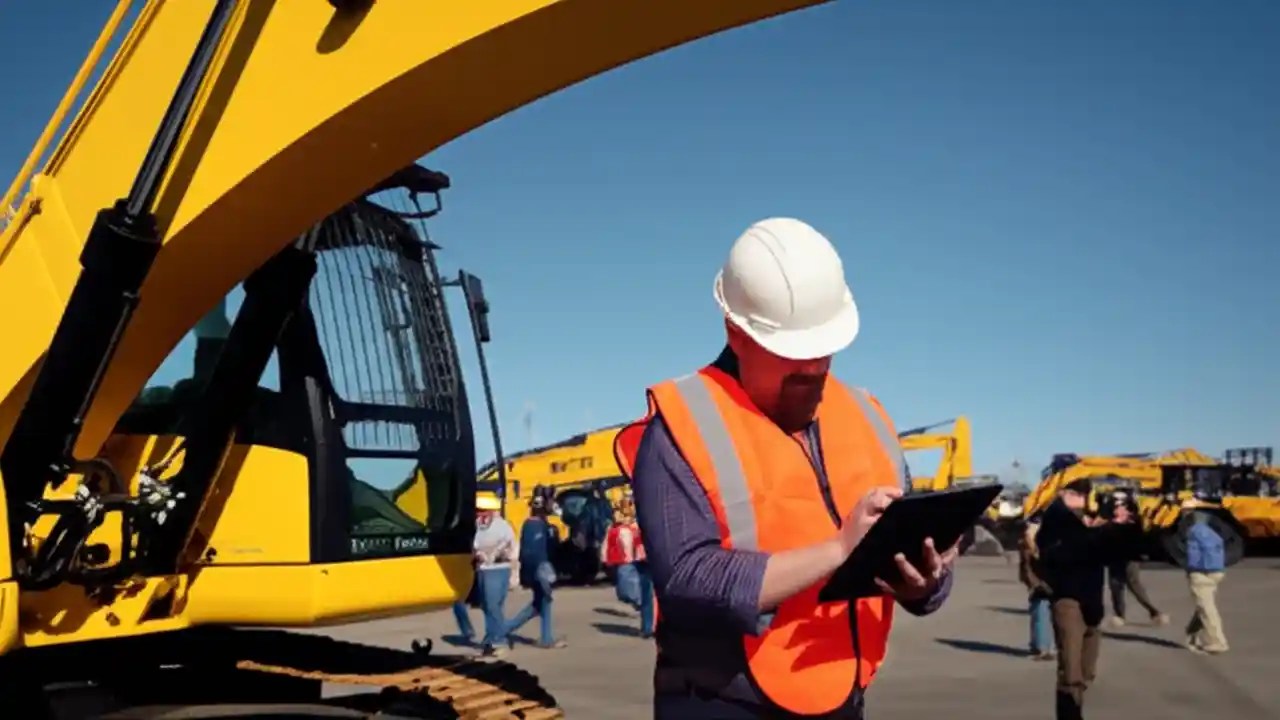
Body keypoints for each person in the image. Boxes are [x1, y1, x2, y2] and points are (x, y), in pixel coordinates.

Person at [613, 217, 958, 719]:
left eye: (823, 351)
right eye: (792, 356)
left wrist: (926, 583)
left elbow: (910, 554)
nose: (814, 369)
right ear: (736, 333)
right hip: (723, 701)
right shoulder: (683, 425)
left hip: (843, 694)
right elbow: (688, 579)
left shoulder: (867, 416)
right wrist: (838, 550)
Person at [1036, 478, 1140, 720]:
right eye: (1078, 495)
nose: (1083, 500)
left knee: (1086, 672)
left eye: (1085, 496)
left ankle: (1075, 709)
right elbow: (1074, 548)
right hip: (1069, 600)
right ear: (1064, 494)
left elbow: (1113, 552)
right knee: (1070, 672)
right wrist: (1105, 527)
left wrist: (1121, 526)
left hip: (1091, 602)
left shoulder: (1081, 523)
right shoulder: (1056, 520)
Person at [506, 487, 569, 649]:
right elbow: (550, 550)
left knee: (539, 603)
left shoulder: (527, 524)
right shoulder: (544, 527)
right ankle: (505, 630)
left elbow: (525, 552)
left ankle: (507, 629)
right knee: (544, 601)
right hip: (541, 569)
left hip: (531, 569)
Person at [1102, 491, 1169, 628]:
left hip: (1130, 556)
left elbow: (1141, 535)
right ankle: (1119, 615)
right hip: (1114, 555)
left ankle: (1154, 612)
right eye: (1116, 505)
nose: (1119, 508)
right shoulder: (1108, 518)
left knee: (1134, 584)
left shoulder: (1134, 518)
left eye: (1122, 505)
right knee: (1115, 585)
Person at [470, 494, 519, 657]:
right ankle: (491, 639)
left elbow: (510, 546)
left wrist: (493, 555)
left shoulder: (502, 526)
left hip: (498, 569)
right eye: (477, 511)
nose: (478, 513)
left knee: (493, 605)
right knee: (487, 606)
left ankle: (499, 640)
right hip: (483, 569)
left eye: (481, 510)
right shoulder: (478, 526)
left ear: (490, 511)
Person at [1181, 498, 1228, 654]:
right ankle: (1191, 633)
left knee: (1207, 608)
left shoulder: (1193, 529)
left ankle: (1217, 642)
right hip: (1217, 570)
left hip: (1201, 572)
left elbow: (1194, 552)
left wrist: (1192, 568)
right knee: (1204, 605)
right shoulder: (1212, 527)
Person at [1018, 515, 1055, 660]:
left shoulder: (1033, 540)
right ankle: (1041, 646)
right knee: (1041, 612)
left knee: (1040, 612)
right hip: (1042, 581)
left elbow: (1027, 568)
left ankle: (1042, 647)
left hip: (1041, 580)